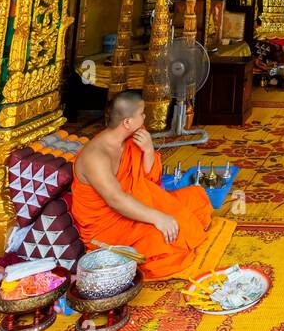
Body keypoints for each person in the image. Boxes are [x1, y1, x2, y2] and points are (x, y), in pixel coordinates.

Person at [71, 91, 213, 280]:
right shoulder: (95, 156)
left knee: (196, 197)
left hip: (138, 201)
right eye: (142, 113)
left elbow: (149, 179)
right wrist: (158, 217)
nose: (145, 117)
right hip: (110, 225)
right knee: (163, 241)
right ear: (127, 122)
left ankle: (170, 225)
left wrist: (148, 149)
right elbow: (116, 200)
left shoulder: (132, 137)